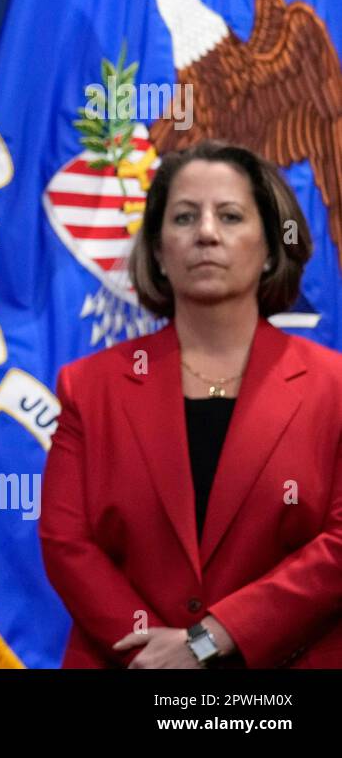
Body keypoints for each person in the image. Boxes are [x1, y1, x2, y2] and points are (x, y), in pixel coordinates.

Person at [40, 139, 342, 668]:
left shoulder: (332, 387)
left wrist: (207, 641)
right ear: (157, 250)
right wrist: (155, 655)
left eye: (229, 216)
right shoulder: (90, 387)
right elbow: (66, 541)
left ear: (271, 246)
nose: (206, 233)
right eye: (183, 217)